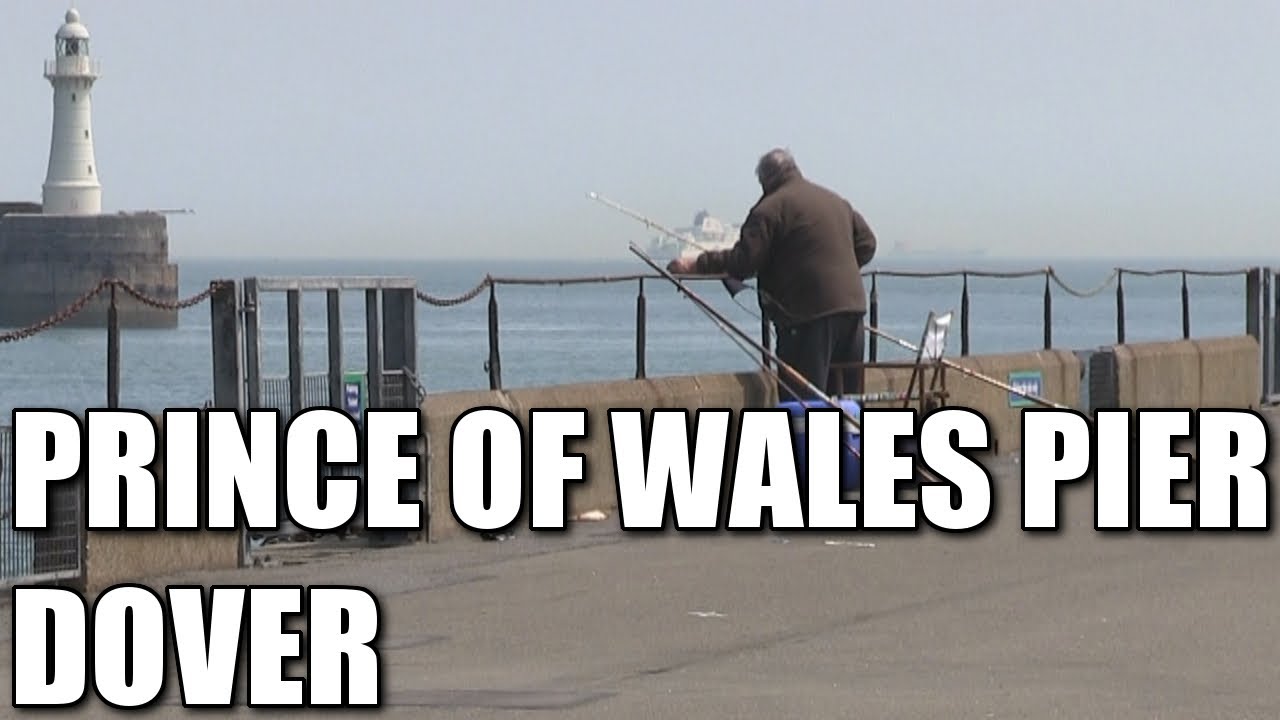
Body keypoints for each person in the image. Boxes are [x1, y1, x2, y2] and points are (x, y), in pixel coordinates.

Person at [667, 148, 877, 401]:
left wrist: (695, 265)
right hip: (853, 310)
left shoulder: (769, 209)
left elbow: (743, 262)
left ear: (765, 179)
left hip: (807, 317)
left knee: (803, 404)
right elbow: (867, 244)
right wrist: (838, 269)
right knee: (847, 402)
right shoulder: (835, 201)